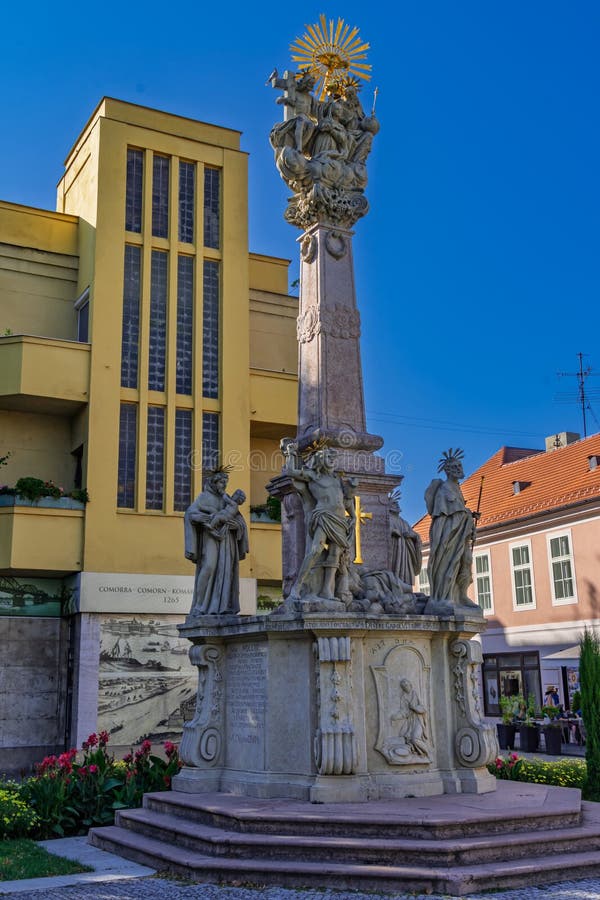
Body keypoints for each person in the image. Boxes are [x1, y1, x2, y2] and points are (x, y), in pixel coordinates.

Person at [283, 443, 355, 601]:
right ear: (320, 458)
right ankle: (297, 587)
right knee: (315, 550)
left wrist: (353, 516)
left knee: (335, 554)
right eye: (329, 457)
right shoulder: (313, 475)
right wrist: (290, 453)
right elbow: (290, 472)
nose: (332, 460)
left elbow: (345, 500)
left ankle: (326, 591)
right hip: (322, 515)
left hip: (340, 520)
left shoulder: (337, 478)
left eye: (334, 458)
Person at [184, 471, 249, 617]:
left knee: (225, 572)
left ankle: (223, 607)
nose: (224, 485)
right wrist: (204, 518)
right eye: (221, 482)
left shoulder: (229, 500)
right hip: (210, 539)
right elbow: (190, 514)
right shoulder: (204, 498)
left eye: (226, 482)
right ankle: (199, 606)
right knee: (208, 566)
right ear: (213, 483)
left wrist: (236, 526)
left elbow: (240, 522)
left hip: (227, 542)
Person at [424, 448, 481, 612]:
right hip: (448, 536)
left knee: (466, 561)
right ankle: (445, 597)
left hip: (460, 535)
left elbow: (458, 510)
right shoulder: (444, 489)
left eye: (460, 466)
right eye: (456, 467)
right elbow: (445, 514)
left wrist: (468, 515)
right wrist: (465, 514)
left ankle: (461, 595)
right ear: (448, 470)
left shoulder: (457, 488)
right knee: (449, 564)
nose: (460, 469)